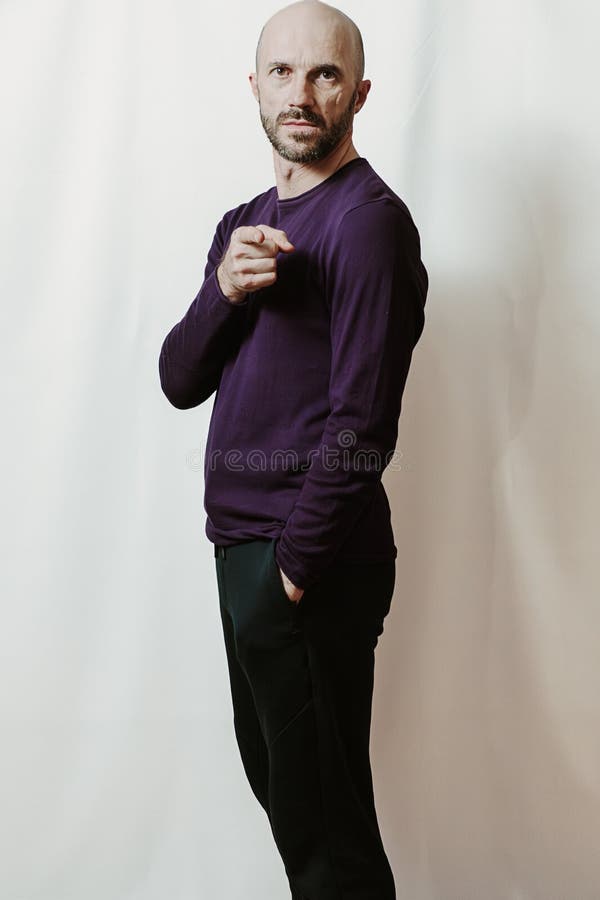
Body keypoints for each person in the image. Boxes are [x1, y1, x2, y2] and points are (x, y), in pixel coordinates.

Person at [158, 1, 428, 896]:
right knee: (296, 808)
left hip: (305, 562)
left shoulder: (367, 223)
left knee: (328, 844)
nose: (302, 93)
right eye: (283, 72)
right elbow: (178, 379)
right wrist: (222, 294)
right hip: (243, 551)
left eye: (324, 74)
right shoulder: (244, 223)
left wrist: (293, 570)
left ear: (359, 91)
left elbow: (363, 422)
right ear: (255, 85)